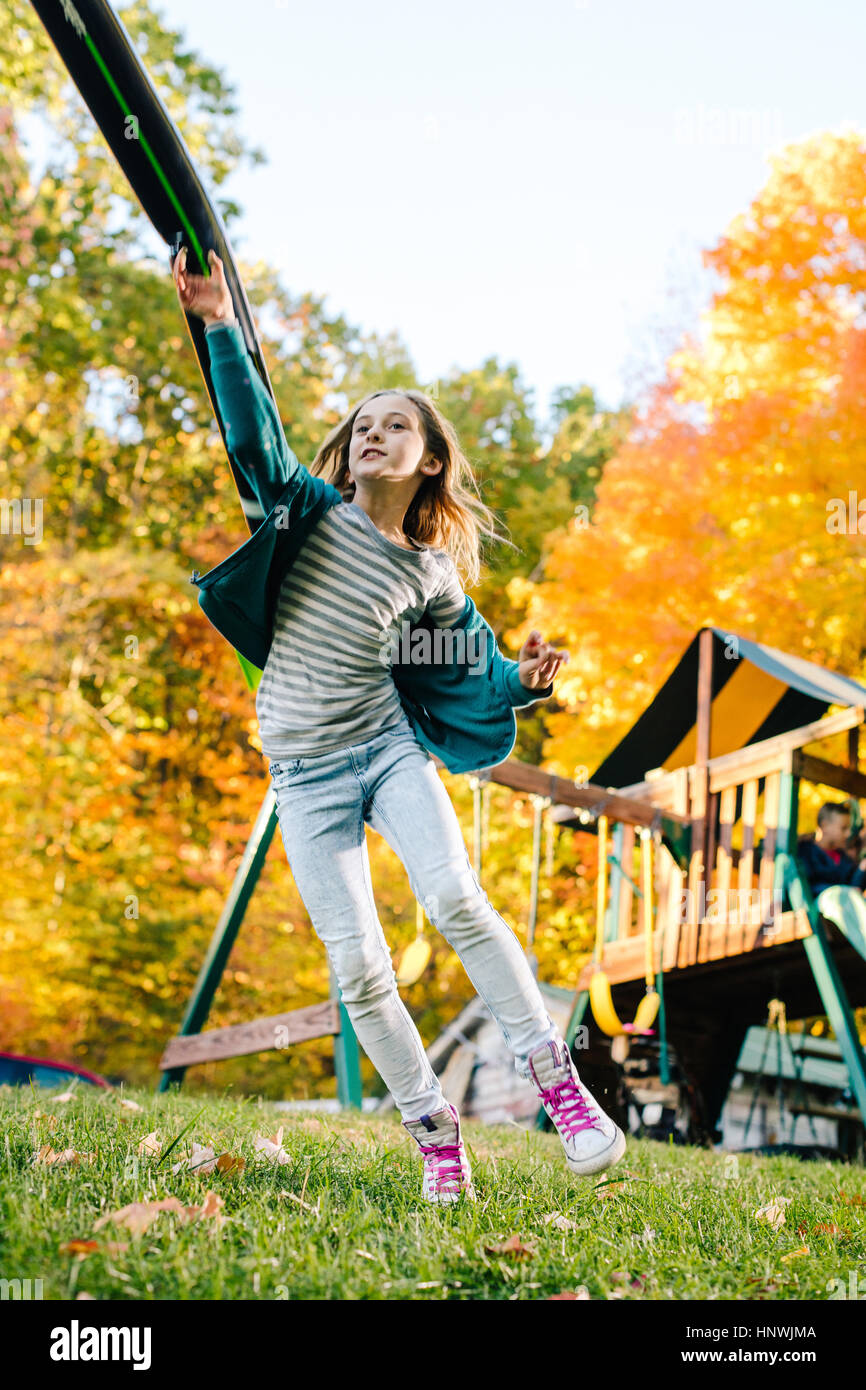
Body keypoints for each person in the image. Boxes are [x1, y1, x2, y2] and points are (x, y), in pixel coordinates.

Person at [172, 246, 626, 1202]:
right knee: (359, 969)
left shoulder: (429, 573)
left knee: (456, 898)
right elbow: (253, 439)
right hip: (303, 775)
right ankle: (432, 1126)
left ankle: (560, 1082)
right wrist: (218, 323)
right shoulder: (305, 510)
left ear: (428, 460)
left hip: (385, 751)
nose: (373, 433)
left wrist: (527, 681)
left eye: (396, 426)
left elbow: (473, 662)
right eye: (363, 423)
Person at [796, 802, 866, 899]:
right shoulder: (805, 853)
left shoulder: (845, 860)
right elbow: (805, 887)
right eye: (843, 828)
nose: (848, 833)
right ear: (825, 826)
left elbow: (855, 889)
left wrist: (862, 870)